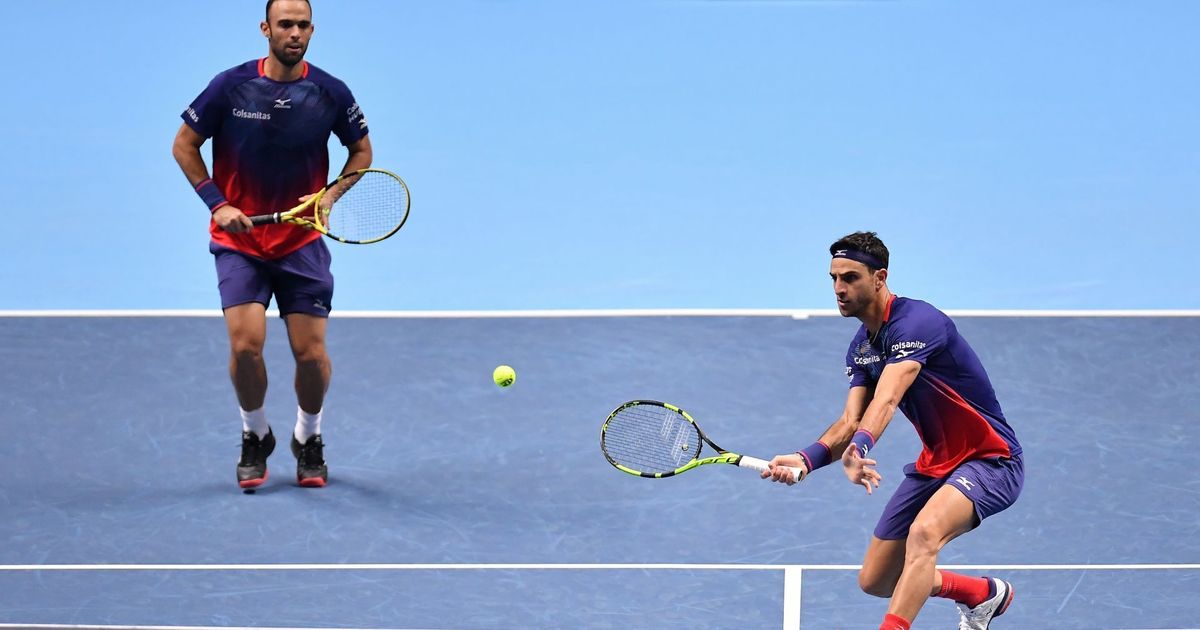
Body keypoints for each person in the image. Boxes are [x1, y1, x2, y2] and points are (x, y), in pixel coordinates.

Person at [762, 231, 1024, 630]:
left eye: (850, 277)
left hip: (991, 460)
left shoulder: (918, 322)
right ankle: (981, 594)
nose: (839, 289)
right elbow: (851, 421)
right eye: (833, 278)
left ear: (879, 278)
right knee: (877, 580)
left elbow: (886, 398)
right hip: (937, 464)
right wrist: (806, 459)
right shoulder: (861, 348)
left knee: (924, 534)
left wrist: (859, 449)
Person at [171, 0, 372, 489]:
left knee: (310, 355)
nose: (295, 33)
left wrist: (330, 195)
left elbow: (361, 151)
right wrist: (218, 204)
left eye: (303, 25)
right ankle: (255, 432)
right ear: (266, 29)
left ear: (312, 30)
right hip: (240, 242)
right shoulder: (230, 86)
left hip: (301, 241)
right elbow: (184, 144)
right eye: (286, 24)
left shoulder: (329, 92)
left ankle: (309, 436)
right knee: (245, 348)